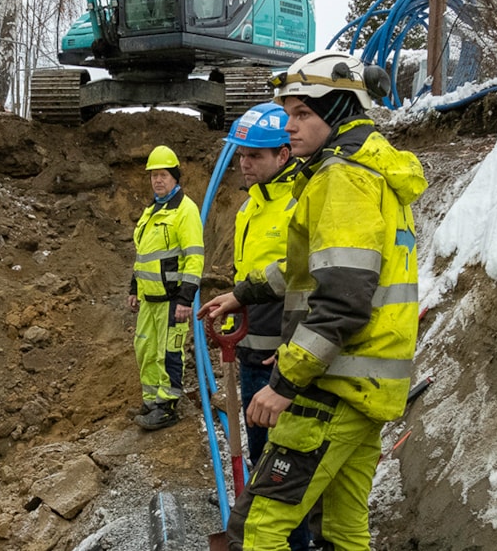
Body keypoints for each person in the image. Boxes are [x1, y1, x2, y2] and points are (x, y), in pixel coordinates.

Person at [199, 50, 426, 550]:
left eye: (303, 114)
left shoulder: (342, 179)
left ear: (342, 109)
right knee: (344, 529)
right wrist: (243, 293)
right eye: (289, 113)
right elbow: (311, 270)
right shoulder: (374, 175)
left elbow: (342, 299)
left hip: (333, 384)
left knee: (257, 531)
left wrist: (283, 383)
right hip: (367, 387)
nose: (290, 127)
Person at [222, 103, 312, 550]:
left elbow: (309, 279)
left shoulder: (304, 201)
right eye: (241, 155)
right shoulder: (247, 210)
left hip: (288, 364)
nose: (244, 164)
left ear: (283, 155)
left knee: (285, 476)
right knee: (264, 463)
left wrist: (293, 352)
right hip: (252, 354)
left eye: (254, 156)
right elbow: (249, 279)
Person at [129, 145, 205, 430]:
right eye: (153, 176)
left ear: (175, 177)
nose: (157, 180)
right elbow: (143, 254)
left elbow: (194, 258)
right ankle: (152, 401)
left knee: (169, 353)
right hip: (149, 299)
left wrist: (186, 299)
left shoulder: (185, 211)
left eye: (163, 175)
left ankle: (168, 407)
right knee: (146, 349)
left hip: (173, 299)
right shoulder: (152, 211)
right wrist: (133, 288)